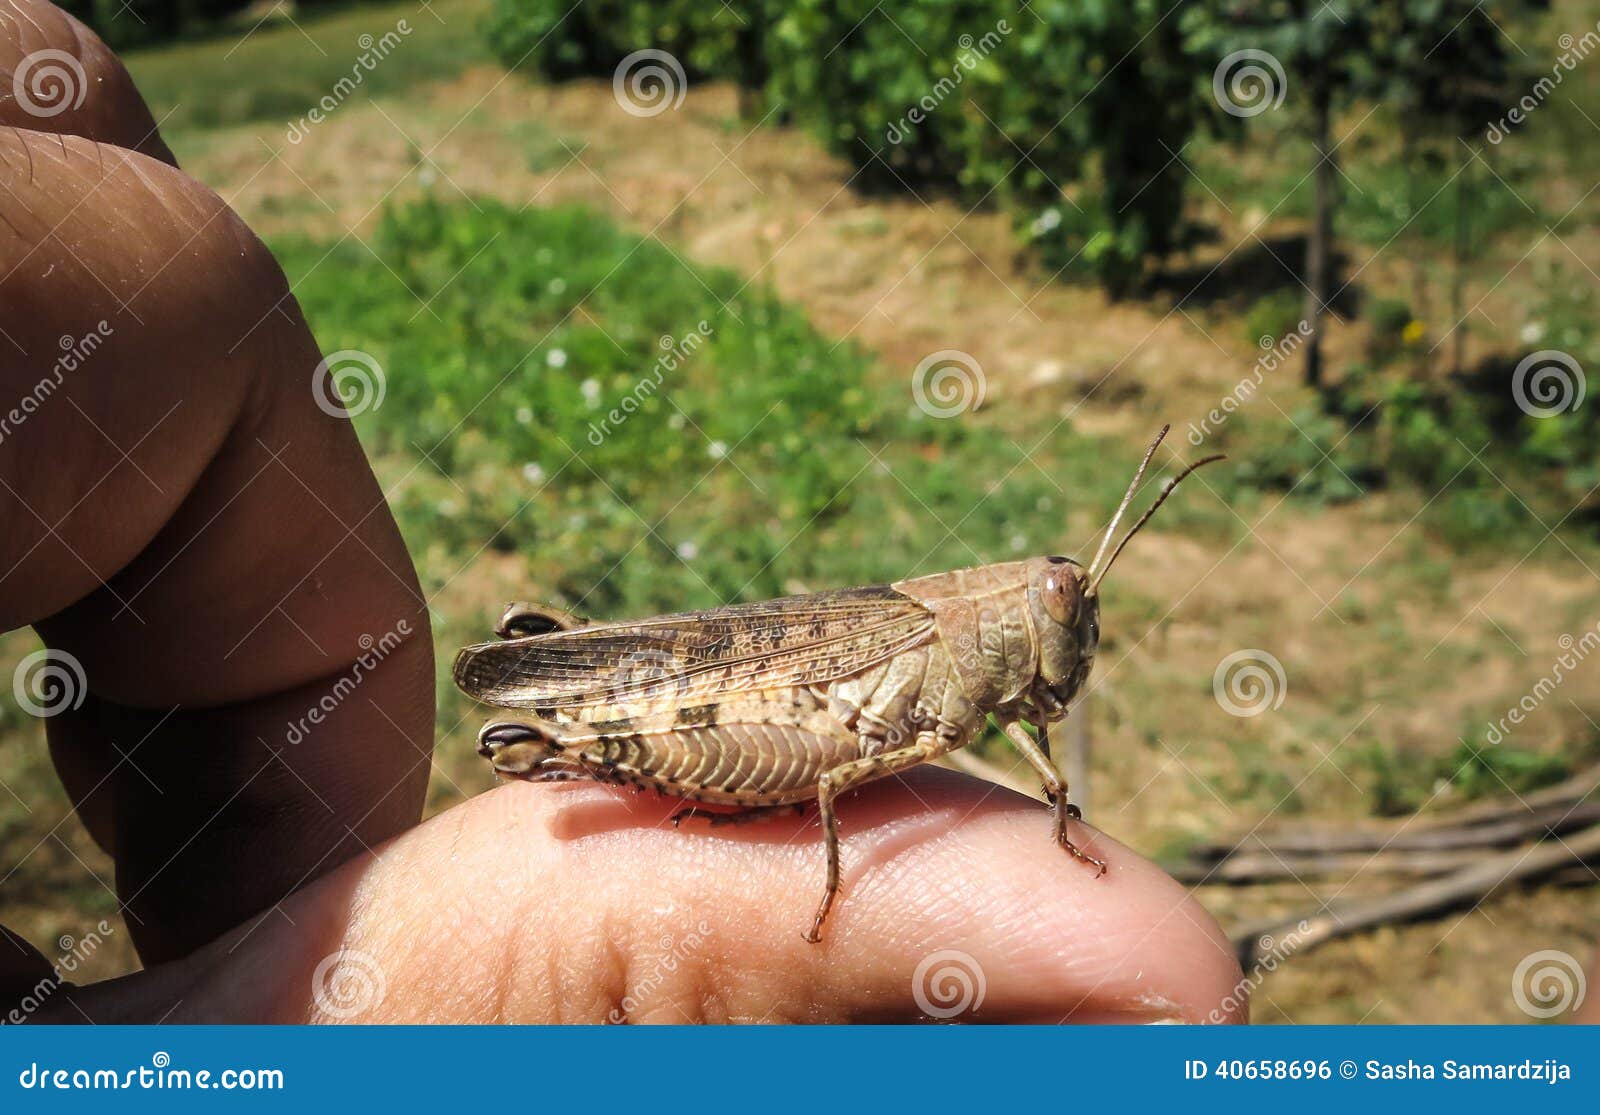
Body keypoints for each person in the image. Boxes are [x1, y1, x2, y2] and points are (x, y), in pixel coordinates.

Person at [0, 0, 1244, 1023]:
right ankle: (578, 726)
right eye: (1056, 596)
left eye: (1066, 601)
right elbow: (824, 773)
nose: (1066, 620)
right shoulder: (926, 649)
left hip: (800, 732)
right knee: (767, 729)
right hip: (763, 711)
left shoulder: (989, 683)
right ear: (1011, 609)